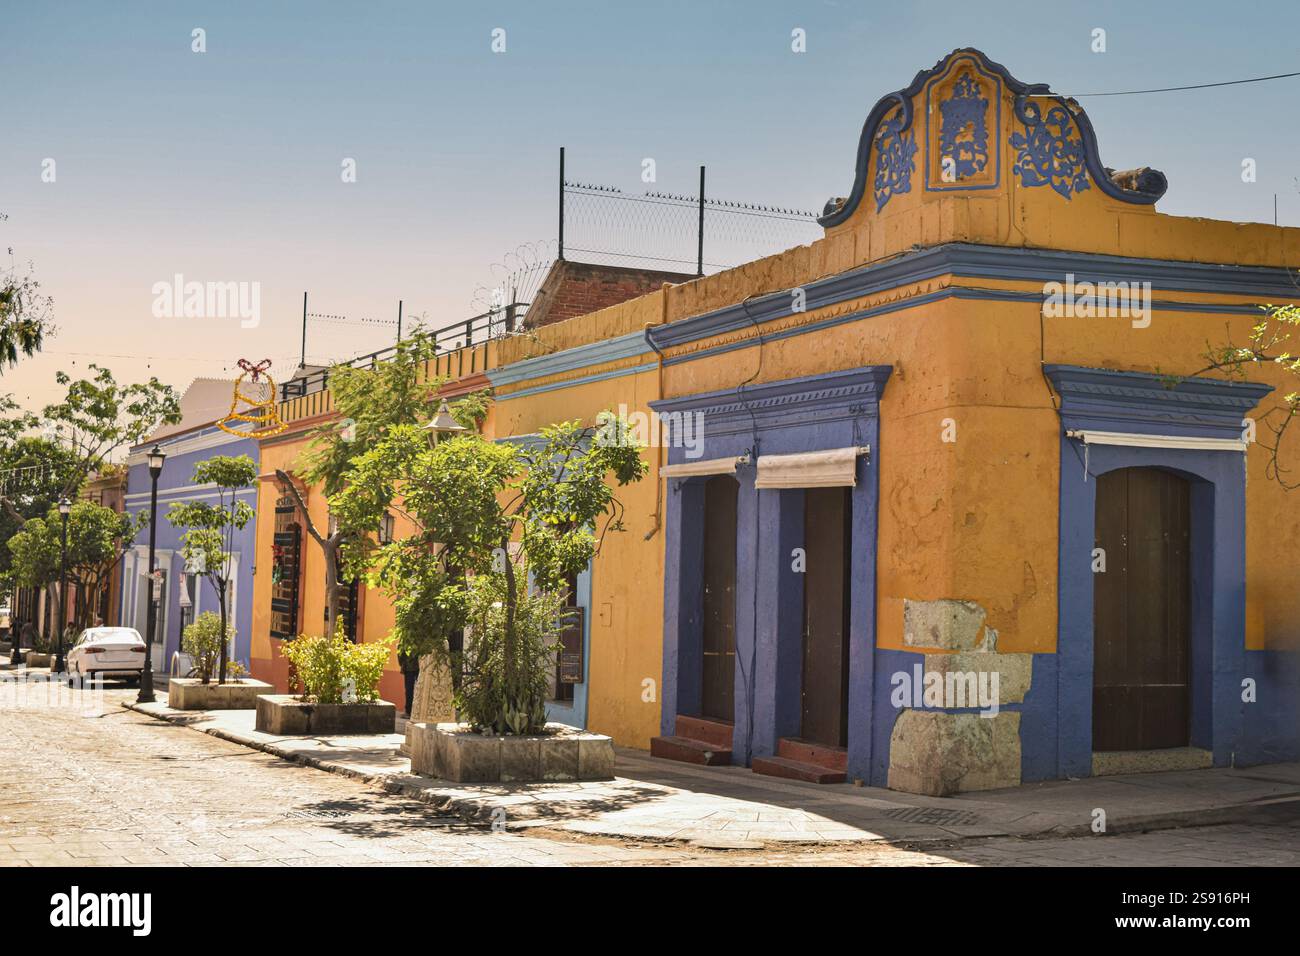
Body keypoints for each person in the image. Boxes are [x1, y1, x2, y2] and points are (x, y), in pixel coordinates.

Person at [397, 649, 420, 719]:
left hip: (409, 668)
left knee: (409, 690)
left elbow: (400, 653)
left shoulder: (405, 640)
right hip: (419, 668)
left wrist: (401, 663)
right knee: (419, 689)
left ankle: (408, 712)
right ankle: (417, 711)